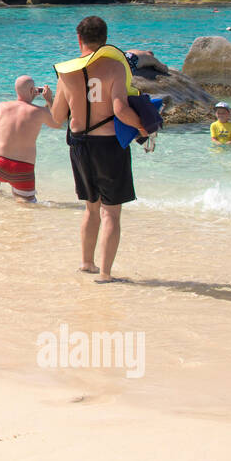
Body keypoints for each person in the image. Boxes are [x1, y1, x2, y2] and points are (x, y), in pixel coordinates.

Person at [50, 15, 148, 283]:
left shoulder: (66, 72)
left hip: (78, 144)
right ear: (105, 40)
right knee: (111, 212)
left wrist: (49, 99)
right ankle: (105, 274)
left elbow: (58, 117)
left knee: (91, 207)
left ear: (79, 39)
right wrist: (143, 128)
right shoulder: (114, 67)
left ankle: (86, 263)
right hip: (108, 145)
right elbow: (119, 109)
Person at [0, 76, 57, 202]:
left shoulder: (1, 106)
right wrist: (50, 100)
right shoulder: (40, 112)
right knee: (27, 205)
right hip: (23, 169)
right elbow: (57, 123)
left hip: (0, 164)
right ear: (33, 90)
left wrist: (30, 96)